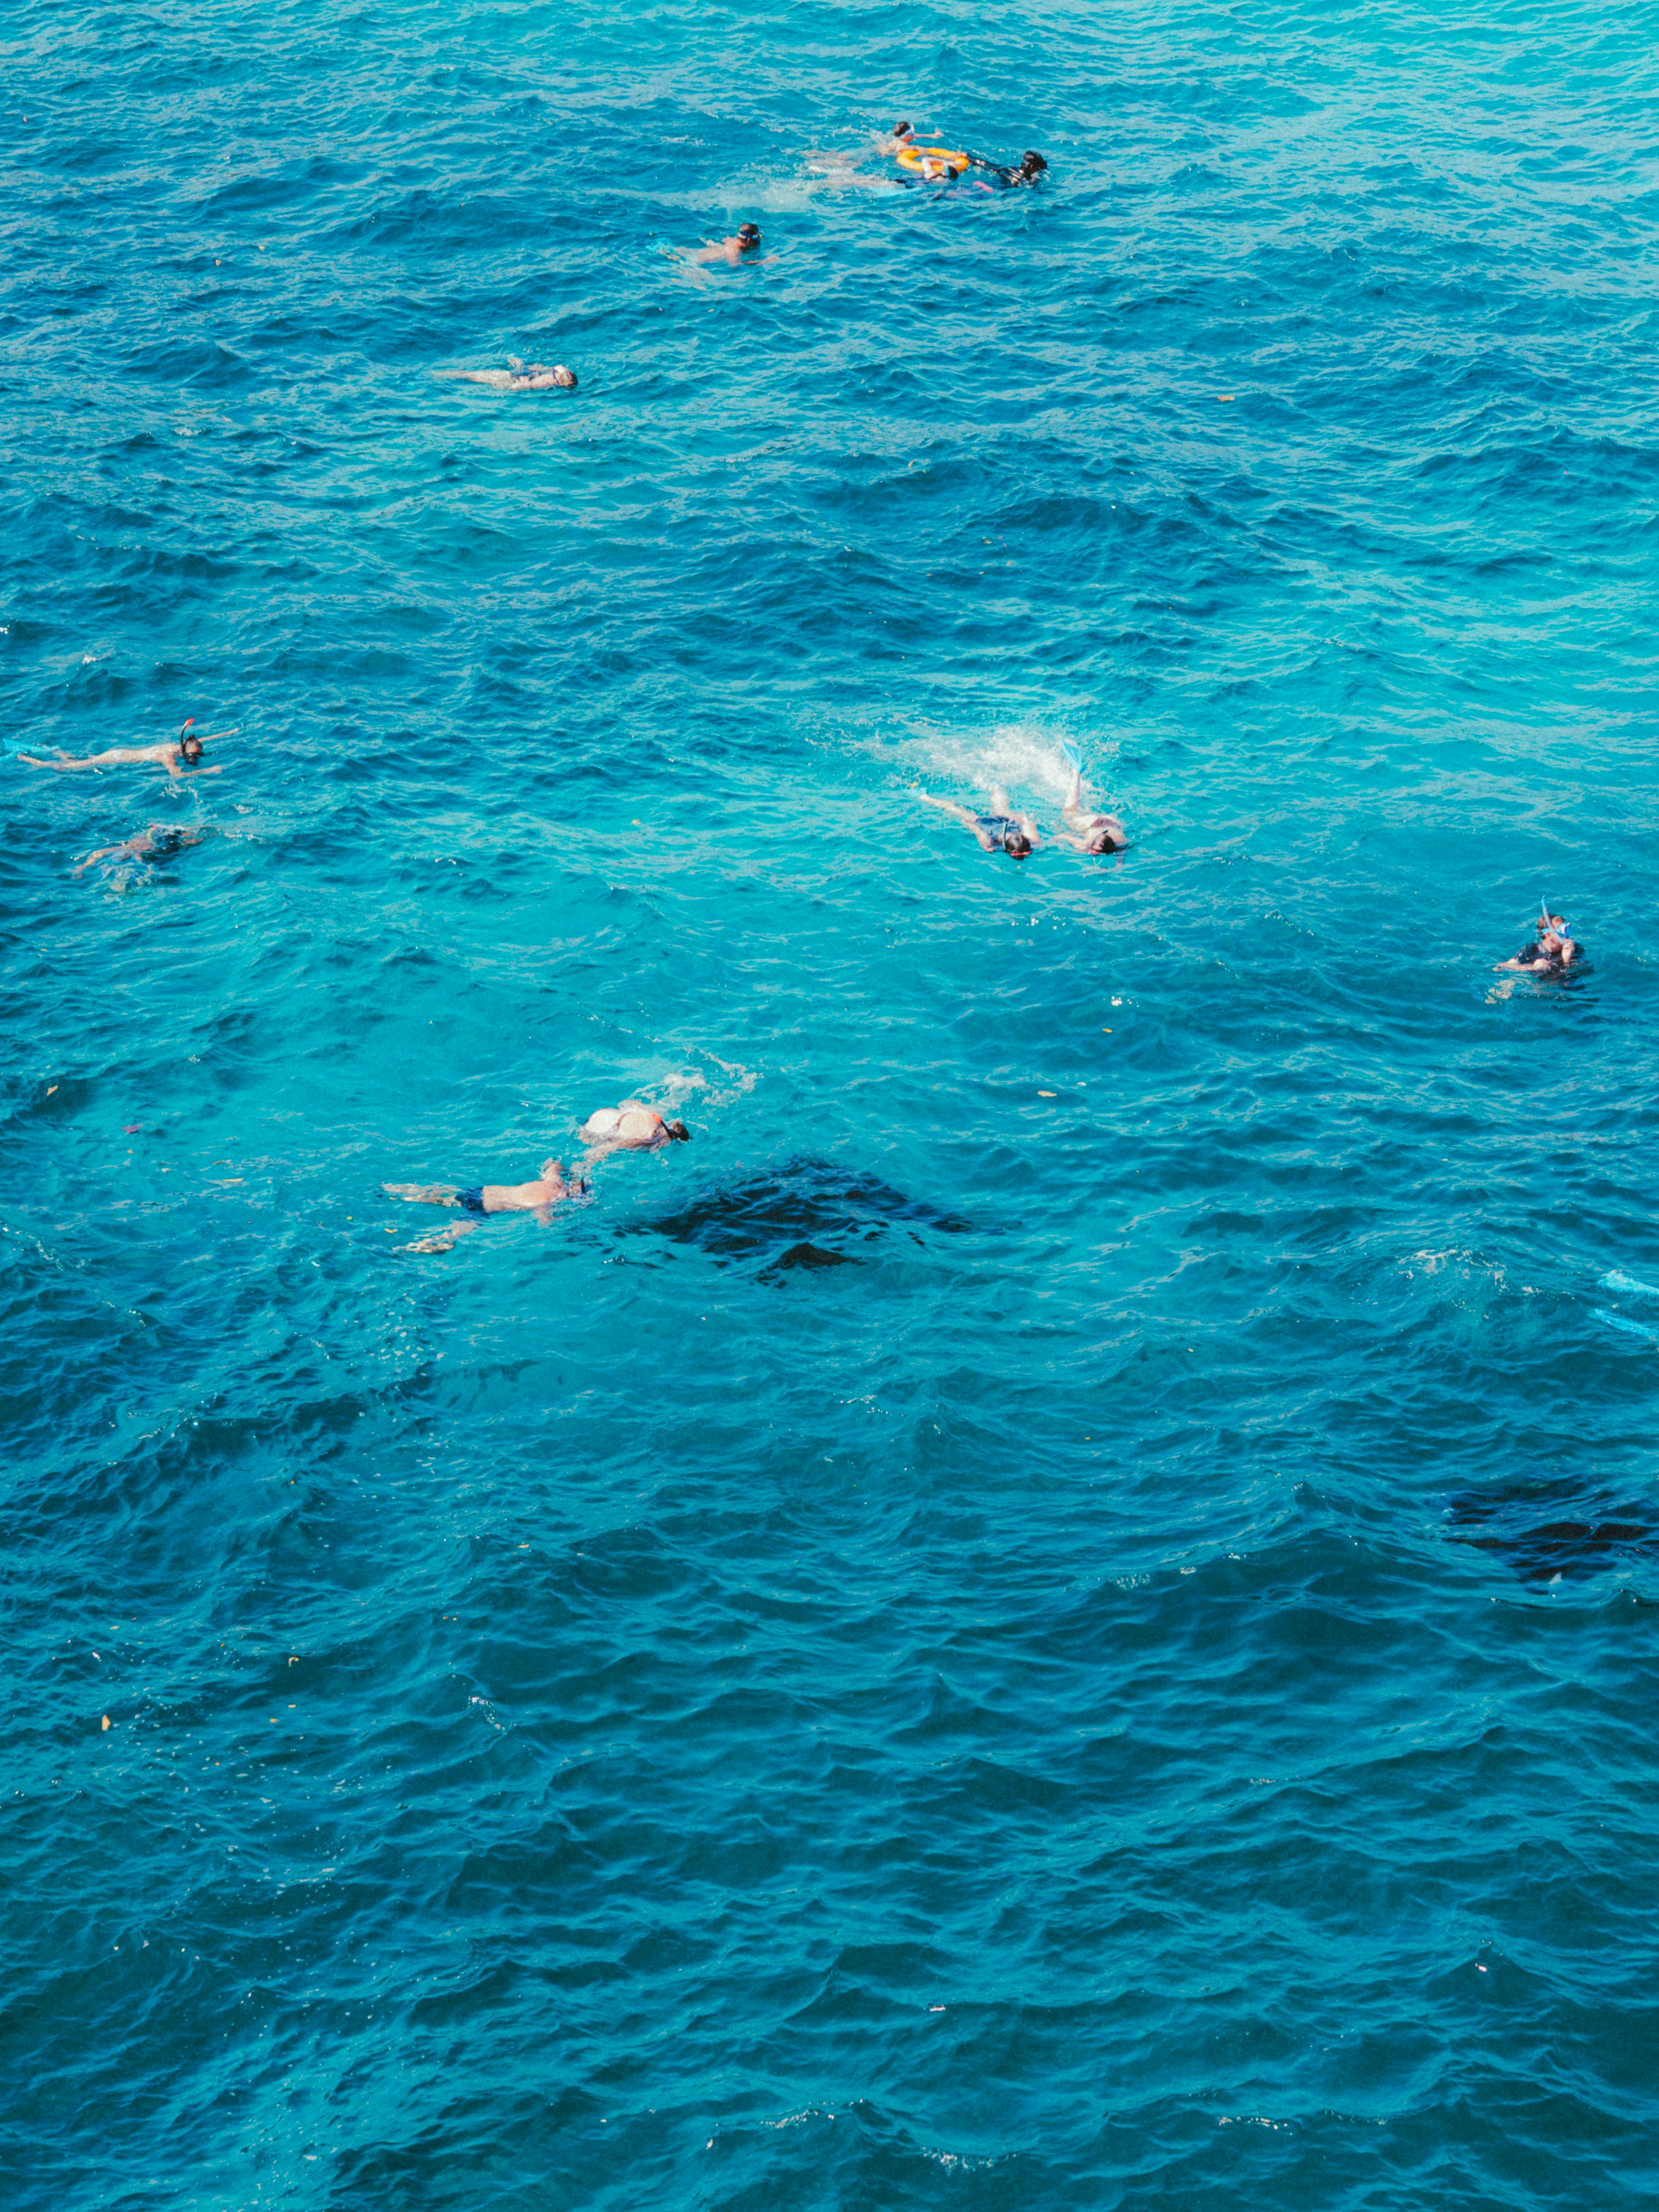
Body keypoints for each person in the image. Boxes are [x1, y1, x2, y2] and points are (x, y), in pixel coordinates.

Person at [383, 1157, 583, 1252]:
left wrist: (571, 1170)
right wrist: (568, 1216)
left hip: (481, 1191)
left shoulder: (552, 1182)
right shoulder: (547, 1202)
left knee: (434, 1195)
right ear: (569, 1197)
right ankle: (407, 1249)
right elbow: (545, 1223)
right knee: (449, 1238)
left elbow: (553, 1164)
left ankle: (391, 1190)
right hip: (480, 1210)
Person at [20, 720, 229, 777]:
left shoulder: (176, 746)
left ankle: (59, 752)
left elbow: (200, 739)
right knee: (69, 769)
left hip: (118, 753)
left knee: (79, 763)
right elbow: (177, 776)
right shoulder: (169, 757)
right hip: (116, 757)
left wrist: (225, 735)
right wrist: (209, 771)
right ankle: (31, 761)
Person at [918, 785, 1040, 859]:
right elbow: (978, 831)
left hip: (1007, 822)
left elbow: (1028, 822)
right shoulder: (991, 844)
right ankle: (925, 797)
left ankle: (995, 787)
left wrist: (1021, 819)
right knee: (958, 811)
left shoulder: (1033, 841)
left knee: (1000, 806)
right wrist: (969, 824)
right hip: (987, 824)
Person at [73, 823, 212, 875]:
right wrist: (82, 868)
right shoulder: (139, 846)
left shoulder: (177, 845)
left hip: (153, 862)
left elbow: (204, 832)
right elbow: (100, 853)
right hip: (140, 863)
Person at [1055, 764, 1127, 854]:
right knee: (1069, 813)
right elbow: (1062, 836)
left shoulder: (1120, 843)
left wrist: (1118, 865)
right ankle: (1076, 773)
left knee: (1076, 813)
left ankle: (1077, 774)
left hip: (1113, 822)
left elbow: (1121, 853)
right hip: (1093, 823)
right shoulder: (1085, 844)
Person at [578, 1101, 691, 1154]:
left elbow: (628, 1103)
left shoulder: (656, 1116)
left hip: (606, 1113)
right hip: (598, 1127)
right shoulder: (650, 1140)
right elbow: (619, 1145)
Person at [1493, 915, 1584, 974]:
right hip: (1540, 987)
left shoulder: (1574, 949)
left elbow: (1581, 973)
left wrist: (1567, 962)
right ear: (1548, 934)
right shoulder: (1531, 950)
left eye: (1568, 930)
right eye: (1562, 932)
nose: (1567, 937)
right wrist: (1533, 967)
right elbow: (1499, 967)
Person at [438, 358, 577, 393]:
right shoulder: (548, 383)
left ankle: (442, 374)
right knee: (471, 377)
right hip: (515, 379)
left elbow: (557, 367)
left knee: (470, 374)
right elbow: (518, 388)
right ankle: (440, 375)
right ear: (563, 384)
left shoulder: (561, 371)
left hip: (526, 373)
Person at [694, 222, 764, 266]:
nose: (758, 240)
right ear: (749, 240)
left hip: (695, 253)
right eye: (758, 238)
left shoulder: (730, 240)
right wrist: (762, 262)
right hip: (694, 262)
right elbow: (734, 265)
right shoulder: (735, 250)